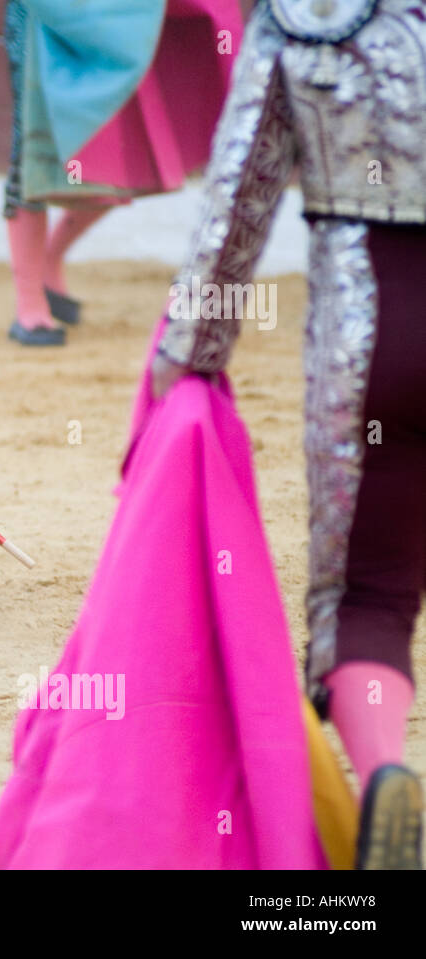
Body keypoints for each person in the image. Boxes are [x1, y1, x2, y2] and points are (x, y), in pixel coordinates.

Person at [151, 0, 425, 869]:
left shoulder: (309, 13)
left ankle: (386, 771)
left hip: (379, 330)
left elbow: (236, 207)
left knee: (367, 601)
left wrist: (182, 364)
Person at [3, 0, 241, 346]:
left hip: (122, 18)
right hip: (45, 13)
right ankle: (29, 304)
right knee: (31, 146)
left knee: (113, 152)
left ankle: (50, 259)